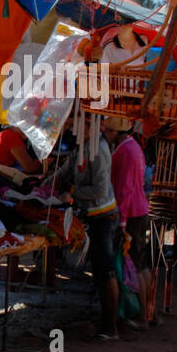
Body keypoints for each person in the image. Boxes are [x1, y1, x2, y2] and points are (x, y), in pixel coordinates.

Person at [60, 128, 121, 339]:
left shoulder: (99, 149)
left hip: (103, 217)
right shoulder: (80, 147)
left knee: (105, 272)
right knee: (100, 271)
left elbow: (100, 190)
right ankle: (104, 323)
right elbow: (64, 172)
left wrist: (73, 191)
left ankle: (110, 328)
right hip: (93, 216)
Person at [106, 117, 153, 327]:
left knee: (136, 262)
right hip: (139, 209)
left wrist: (122, 222)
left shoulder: (125, 150)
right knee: (141, 263)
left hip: (132, 212)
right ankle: (149, 313)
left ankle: (143, 315)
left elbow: (124, 189)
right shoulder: (133, 146)